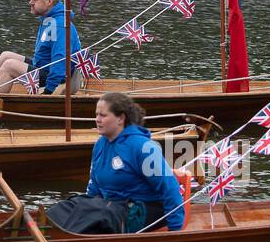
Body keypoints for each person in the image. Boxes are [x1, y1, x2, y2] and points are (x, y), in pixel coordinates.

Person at [45, 94, 185, 234]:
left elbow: (169, 188)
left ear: (120, 118)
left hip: (142, 209)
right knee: (64, 207)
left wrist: (175, 230)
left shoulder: (143, 147)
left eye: (103, 115)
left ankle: (67, 241)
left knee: (98, 214)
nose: (97, 120)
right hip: (110, 207)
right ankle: (45, 235)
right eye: (96, 115)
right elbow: (94, 187)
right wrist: (86, 203)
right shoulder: (100, 144)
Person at [0, 0, 83, 94]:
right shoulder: (49, 19)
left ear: (49, 1)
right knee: (5, 56)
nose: (30, 2)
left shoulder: (59, 25)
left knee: (9, 65)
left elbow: (60, 60)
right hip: (44, 68)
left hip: (58, 80)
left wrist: (49, 90)